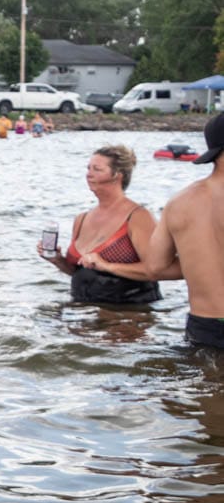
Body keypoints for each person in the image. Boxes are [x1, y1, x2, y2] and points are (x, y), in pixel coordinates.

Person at [40, 145, 161, 305]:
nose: (88, 174)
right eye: (88, 168)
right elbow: (78, 272)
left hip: (129, 312)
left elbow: (156, 270)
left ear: (117, 175)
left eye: (97, 169)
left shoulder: (138, 216)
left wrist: (108, 266)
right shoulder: (81, 219)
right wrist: (57, 260)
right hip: (84, 311)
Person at [145, 113, 224, 347]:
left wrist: (199, 264)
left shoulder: (178, 202)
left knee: (206, 383)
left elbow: (155, 268)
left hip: (204, 324)